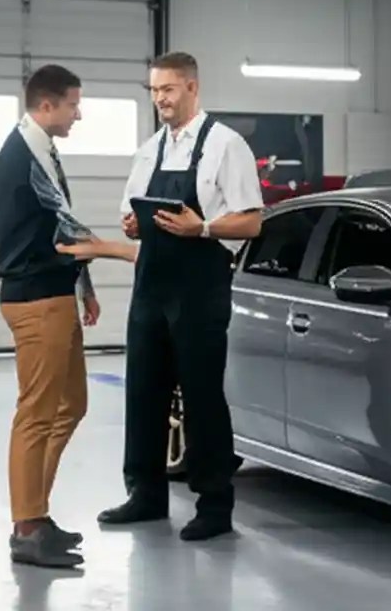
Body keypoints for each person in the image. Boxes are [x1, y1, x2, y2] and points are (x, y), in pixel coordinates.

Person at [59, 51, 263, 542]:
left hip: (200, 284)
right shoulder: (150, 149)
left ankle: (214, 505)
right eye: (153, 91)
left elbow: (253, 220)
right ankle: (145, 494)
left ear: (192, 87)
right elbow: (133, 216)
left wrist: (204, 226)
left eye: (167, 90)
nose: (160, 100)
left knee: (202, 396)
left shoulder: (225, 145)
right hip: (152, 283)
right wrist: (132, 223)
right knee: (144, 390)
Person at [0, 64, 101, 568]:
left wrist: (86, 285)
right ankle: (27, 525)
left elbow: (57, 225)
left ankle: (35, 512)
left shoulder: (41, 147)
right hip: (35, 298)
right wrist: (131, 252)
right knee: (36, 414)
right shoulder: (24, 153)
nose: (79, 114)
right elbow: (69, 226)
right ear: (47, 105)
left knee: (70, 405)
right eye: (74, 104)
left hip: (56, 292)